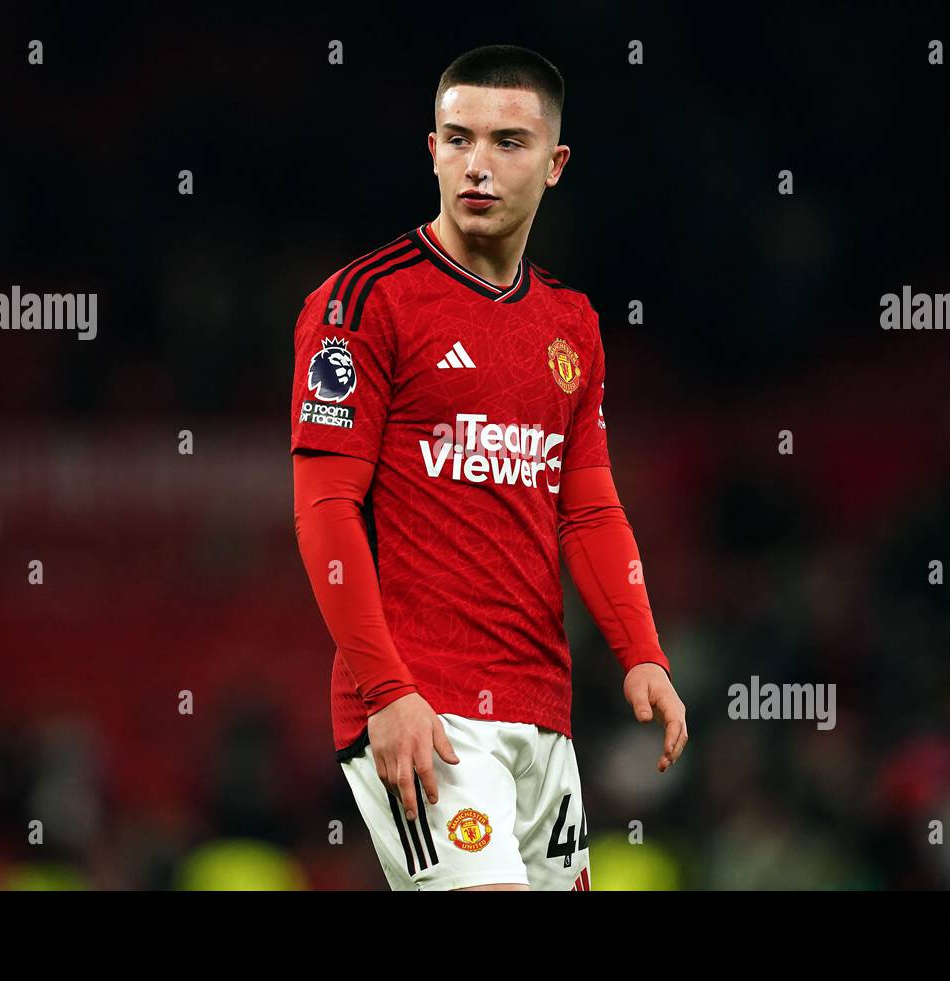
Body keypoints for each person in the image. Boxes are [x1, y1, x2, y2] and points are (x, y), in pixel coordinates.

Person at [291, 44, 687, 891]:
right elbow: (325, 507)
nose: (478, 164)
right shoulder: (363, 302)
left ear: (555, 164)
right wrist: (386, 689)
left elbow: (586, 509)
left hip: (542, 712)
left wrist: (641, 650)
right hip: (422, 705)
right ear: (430, 149)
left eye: (509, 142)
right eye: (457, 138)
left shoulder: (570, 325)